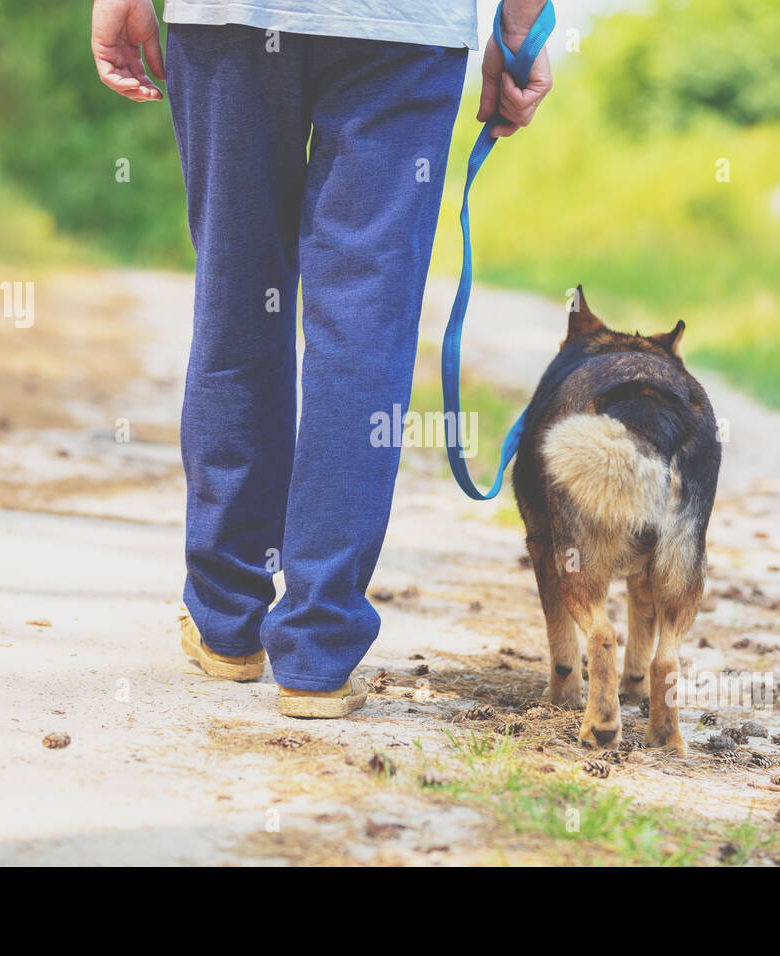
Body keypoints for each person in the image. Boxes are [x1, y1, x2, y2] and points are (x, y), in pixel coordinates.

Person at [90, 0, 551, 717]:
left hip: (230, 20)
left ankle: (227, 622)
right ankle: (316, 651)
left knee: (238, 293)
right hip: (404, 30)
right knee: (366, 322)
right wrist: (520, 26)